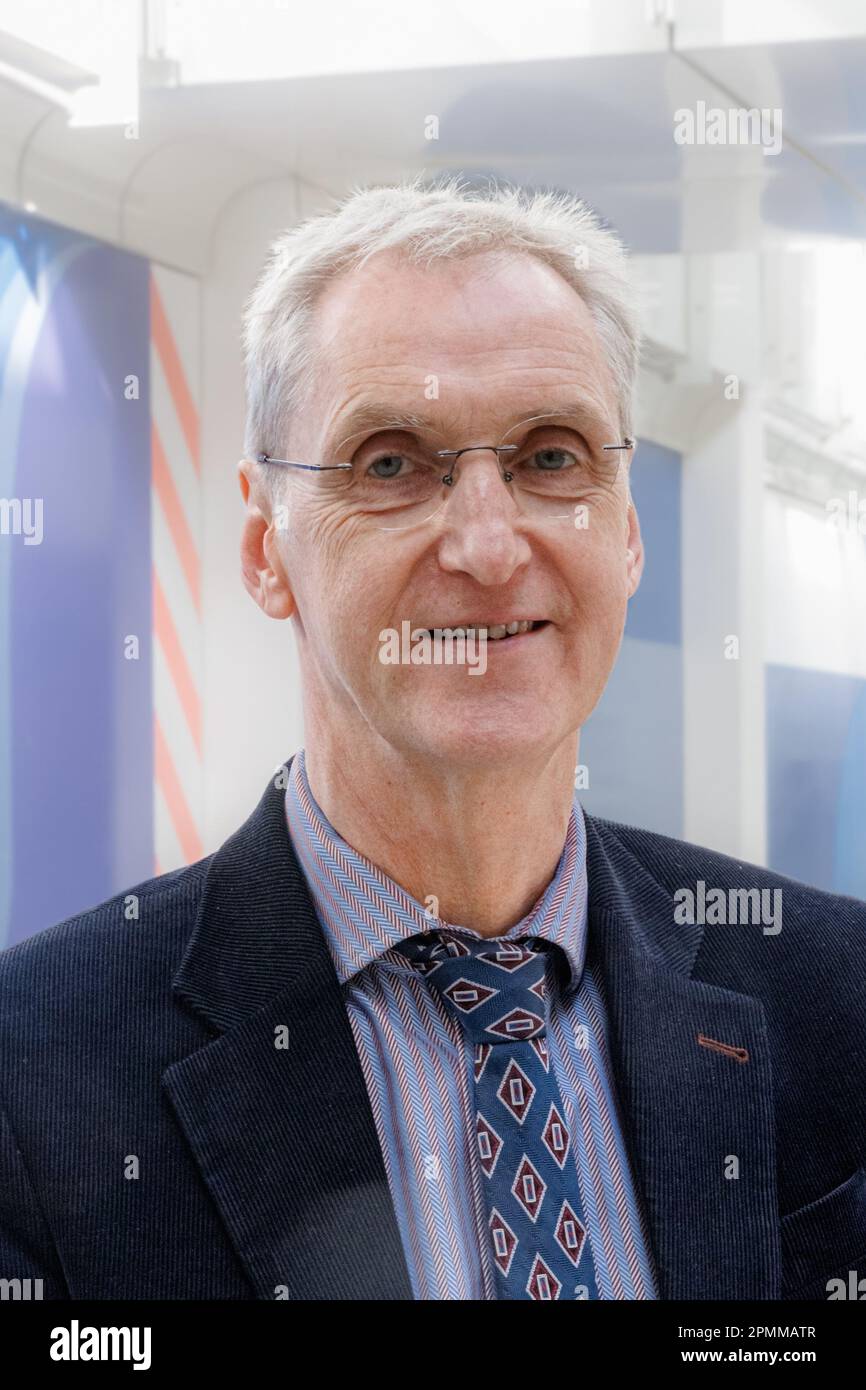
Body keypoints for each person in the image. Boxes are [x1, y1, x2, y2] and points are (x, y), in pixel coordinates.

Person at [1, 177, 864, 1301]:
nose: (488, 543)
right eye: (392, 463)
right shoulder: (36, 1080)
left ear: (627, 532)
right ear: (266, 547)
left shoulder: (835, 999)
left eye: (550, 457)